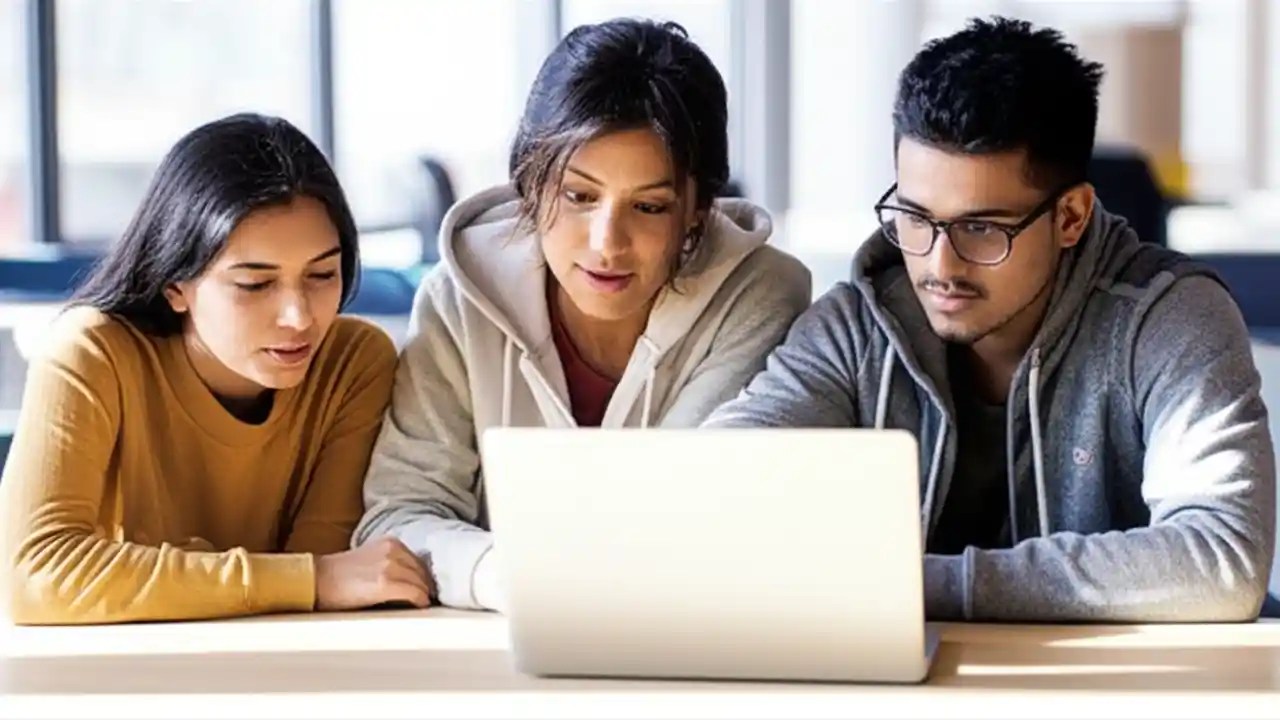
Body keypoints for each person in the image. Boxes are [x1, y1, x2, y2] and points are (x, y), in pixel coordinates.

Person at [705, 17, 1275, 622]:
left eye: (981, 228)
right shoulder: (859, 326)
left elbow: (1223, 559)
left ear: (1072, 217)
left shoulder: (1168, 319)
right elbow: (714, 485)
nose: (937, 263)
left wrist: (913, 586)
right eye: (915, 217)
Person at [353, 18, 812, 611]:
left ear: (697, 210)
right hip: (494, 642)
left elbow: (689, 514)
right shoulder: (457, 300)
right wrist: (505, 576)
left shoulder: (758, 293)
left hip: (684, 633)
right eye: (579, 196)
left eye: (649, 206)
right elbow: (397, 515)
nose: (606, 243)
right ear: (531, 184)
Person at [0, 113, 431, 625]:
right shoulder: (93, 352)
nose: (299, 317)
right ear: (174, 284)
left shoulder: (353, 363)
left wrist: (299, 577)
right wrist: (307, 579)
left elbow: (330, 581)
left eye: (322, 275)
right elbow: (36, 576)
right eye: (254, 284)